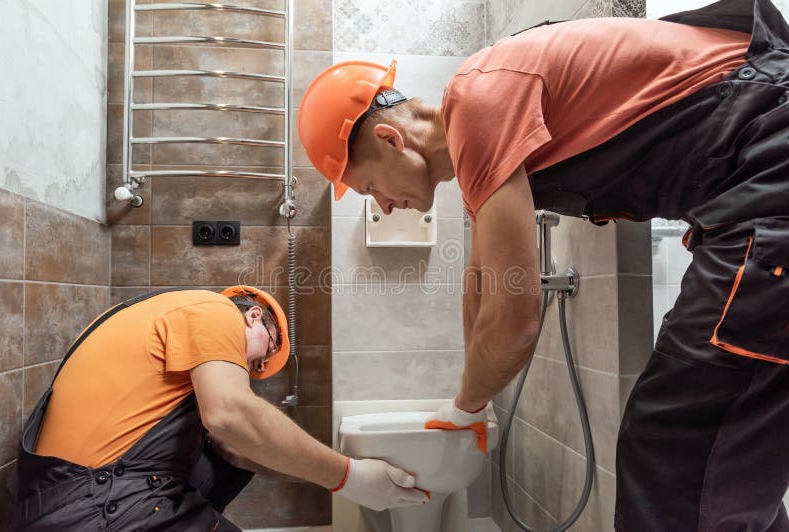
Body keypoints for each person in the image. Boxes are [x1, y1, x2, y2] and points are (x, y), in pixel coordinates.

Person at [297, 0, 789, 529]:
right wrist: (466, 400)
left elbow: (514, 321)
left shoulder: (478, 98)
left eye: (371, 188)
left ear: (391, 139)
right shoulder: (477, 146)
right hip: (752, 180)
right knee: (717, 462)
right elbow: (484, 287)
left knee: (674, 449)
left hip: (768, 150)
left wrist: (465, 411)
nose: (384, 205)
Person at [11, 286, 427, 531]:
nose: (258, 368)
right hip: (97, 503)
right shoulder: (214, 312)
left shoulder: (154, 319)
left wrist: (300, 462)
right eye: (266, 355)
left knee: (224, 458)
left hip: (68, 501)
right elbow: (230, 415)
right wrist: (348, 478)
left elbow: (232, 446)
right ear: (254, 317)